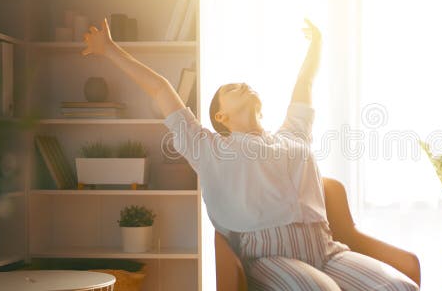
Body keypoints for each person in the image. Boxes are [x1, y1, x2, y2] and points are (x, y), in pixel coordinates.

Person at [82, 18, 418, 291]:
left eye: (244, 84)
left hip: (327, 251)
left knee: (400, 287)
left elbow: (304, 85)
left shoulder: (292, 135)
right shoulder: (209, 148)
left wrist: (316, 46)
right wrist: (109, 50)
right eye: (231, 89)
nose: (243, 84)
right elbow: (161, 90)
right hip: (270, 257)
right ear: (221, 117)